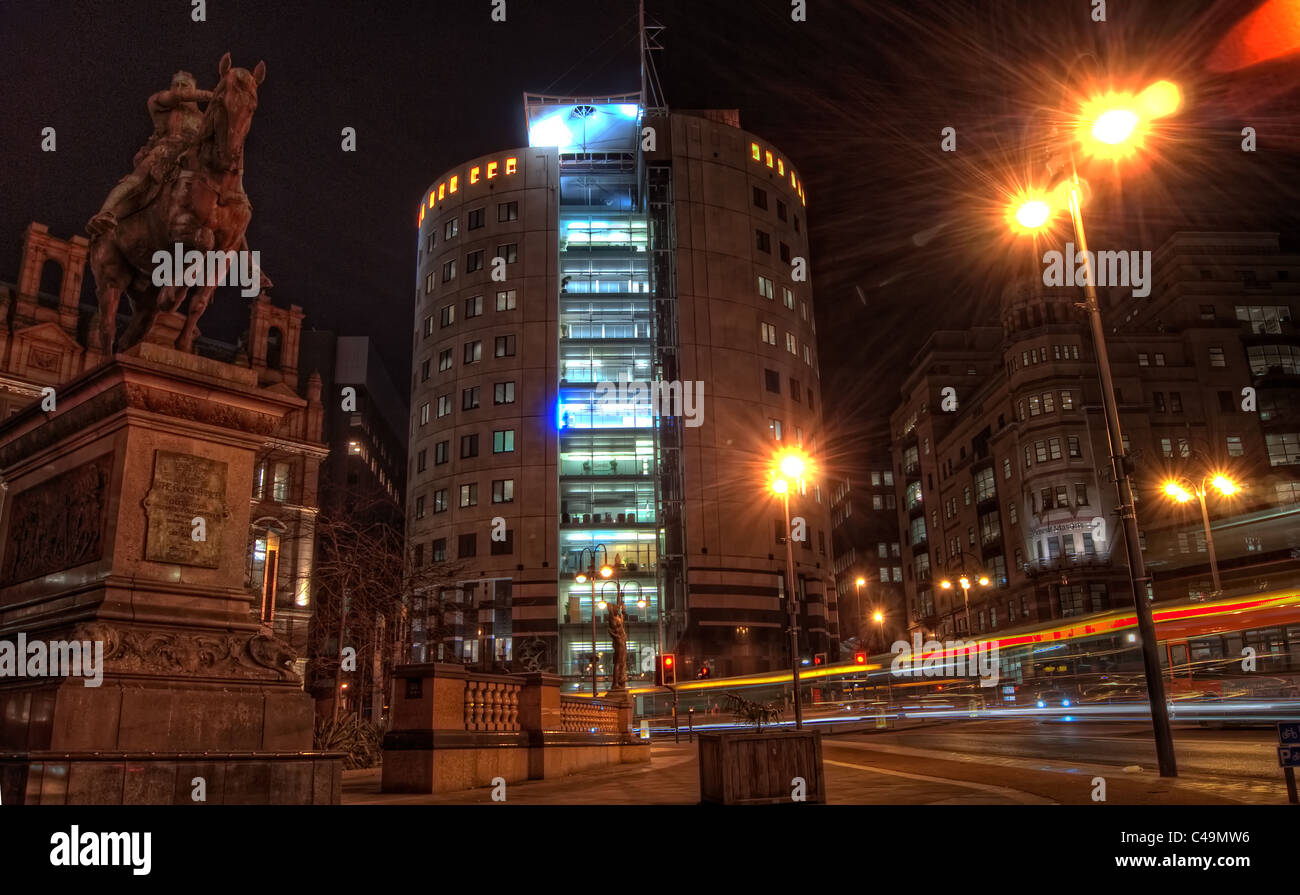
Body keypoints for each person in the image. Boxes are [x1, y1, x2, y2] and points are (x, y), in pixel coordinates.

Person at [87, 72, 213, 236]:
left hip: (191, 158)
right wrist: (214, 95)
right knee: (136, 182)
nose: (180, 89)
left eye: (185, 85)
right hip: (163, 152)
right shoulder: (160, 101)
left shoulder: (202, 118)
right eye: (177, 85)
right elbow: (176, 96)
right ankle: (106, 213)